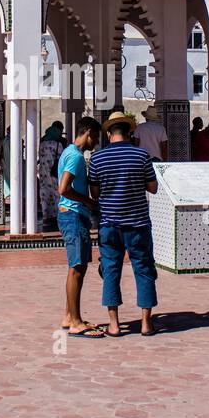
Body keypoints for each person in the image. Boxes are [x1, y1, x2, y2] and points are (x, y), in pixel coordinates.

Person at [88, 112, 159, 337]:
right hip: (138, 222)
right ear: (129, 133)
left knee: (111, 271)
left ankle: (115, 324)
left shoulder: (98, 159)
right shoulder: (142, 156)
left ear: (109, 134)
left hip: (109, 223)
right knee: (144, 270)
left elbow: (95, 192)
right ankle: (146, 323)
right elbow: (153, 187)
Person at [57, 116, 103, 338]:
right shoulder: (75, 156)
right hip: (73, 214)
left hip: (72, 214)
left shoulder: (68, 152)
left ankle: (69, 315)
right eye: (96, 138)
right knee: (77, 268)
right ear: (89, 133)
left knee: (77, 267)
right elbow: (63, 188)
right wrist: (89, 202)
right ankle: (75, 321)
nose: (96, 143)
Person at [38, 121, 67, 231]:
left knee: (45, 194)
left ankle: (47, 216)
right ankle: (58, 215)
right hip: (56, 172)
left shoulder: (42, 140)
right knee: (57, 193)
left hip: (43, 172)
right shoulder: (61, 141)